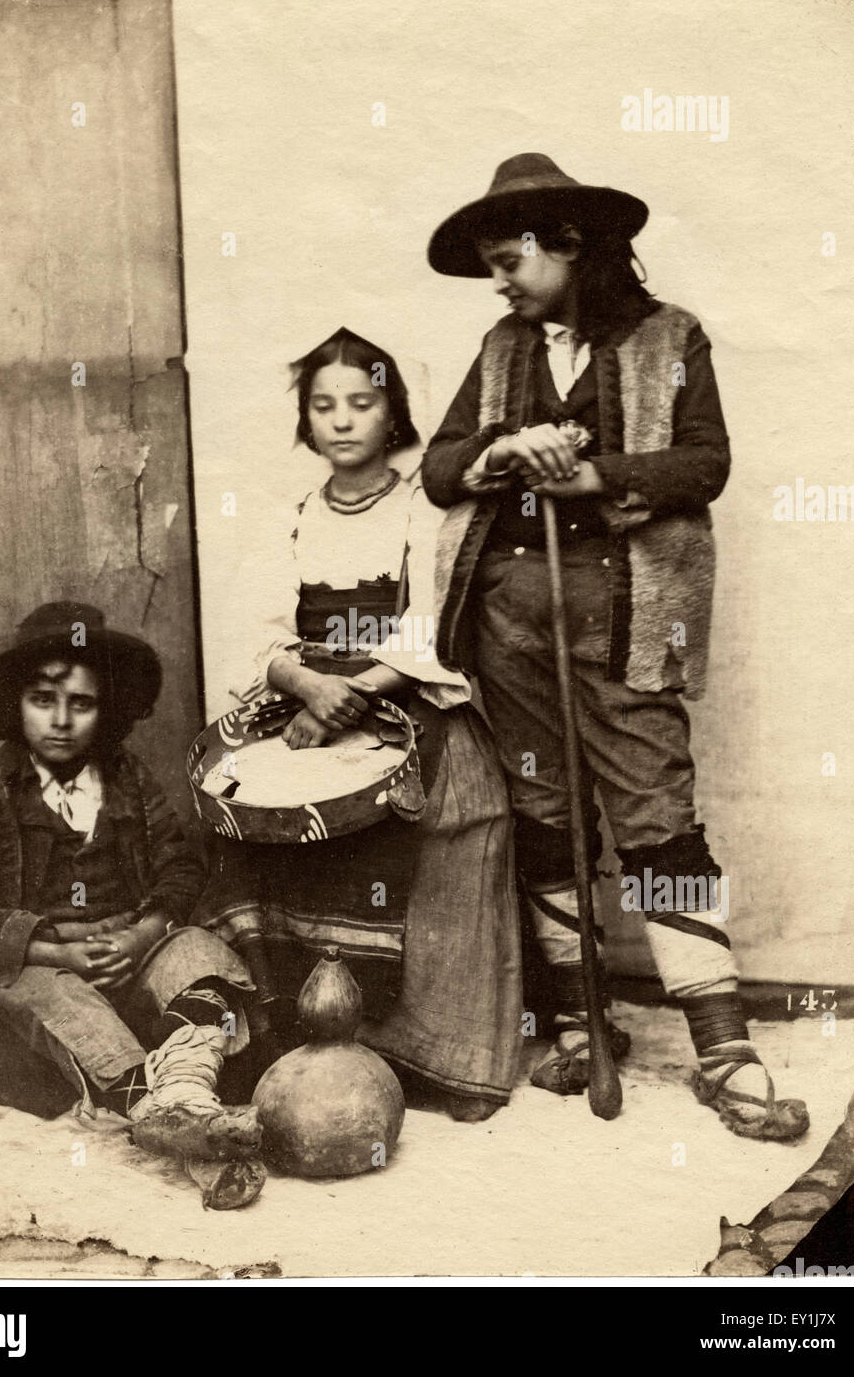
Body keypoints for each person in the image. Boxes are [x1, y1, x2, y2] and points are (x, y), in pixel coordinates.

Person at [420, 153, 808, 1140]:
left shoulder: (669, 335)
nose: (500, 280)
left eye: (509, 259)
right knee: (543, 813)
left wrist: (590, 474)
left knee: (653, 815)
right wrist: (501, 453)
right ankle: (574, 1020)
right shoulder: (500, 347)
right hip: (504, 624)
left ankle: (721, 1049)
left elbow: (703, 463)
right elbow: (436, 468)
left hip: (625, 615)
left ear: (567, 243)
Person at [198, 328, 523, 1123]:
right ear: (306, 421)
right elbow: (263, 626)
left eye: (362, 403)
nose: (342, 420)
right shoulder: (295, 514)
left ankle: (440, 1060)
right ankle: (287, 1035)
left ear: (394, 414)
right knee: (244, 813)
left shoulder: (424, 508)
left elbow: (438, 619)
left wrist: (363, 691)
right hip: (309, 690)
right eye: (323, 405)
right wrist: (308, 687)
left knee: (455, 816)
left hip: (404, 690)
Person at [0, 600, 266, 1207]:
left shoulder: (129, 778)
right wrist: (55, 948)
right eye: (42, 700)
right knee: (46, 988)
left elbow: (180, 865)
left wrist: (144, 936)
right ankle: (165, 1112)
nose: (60, 721)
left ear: (105, 710)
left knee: (199, 950)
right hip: (46, 957)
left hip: (130, 943)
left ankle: (187, 1091)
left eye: (81, 704)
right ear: (15, 704)